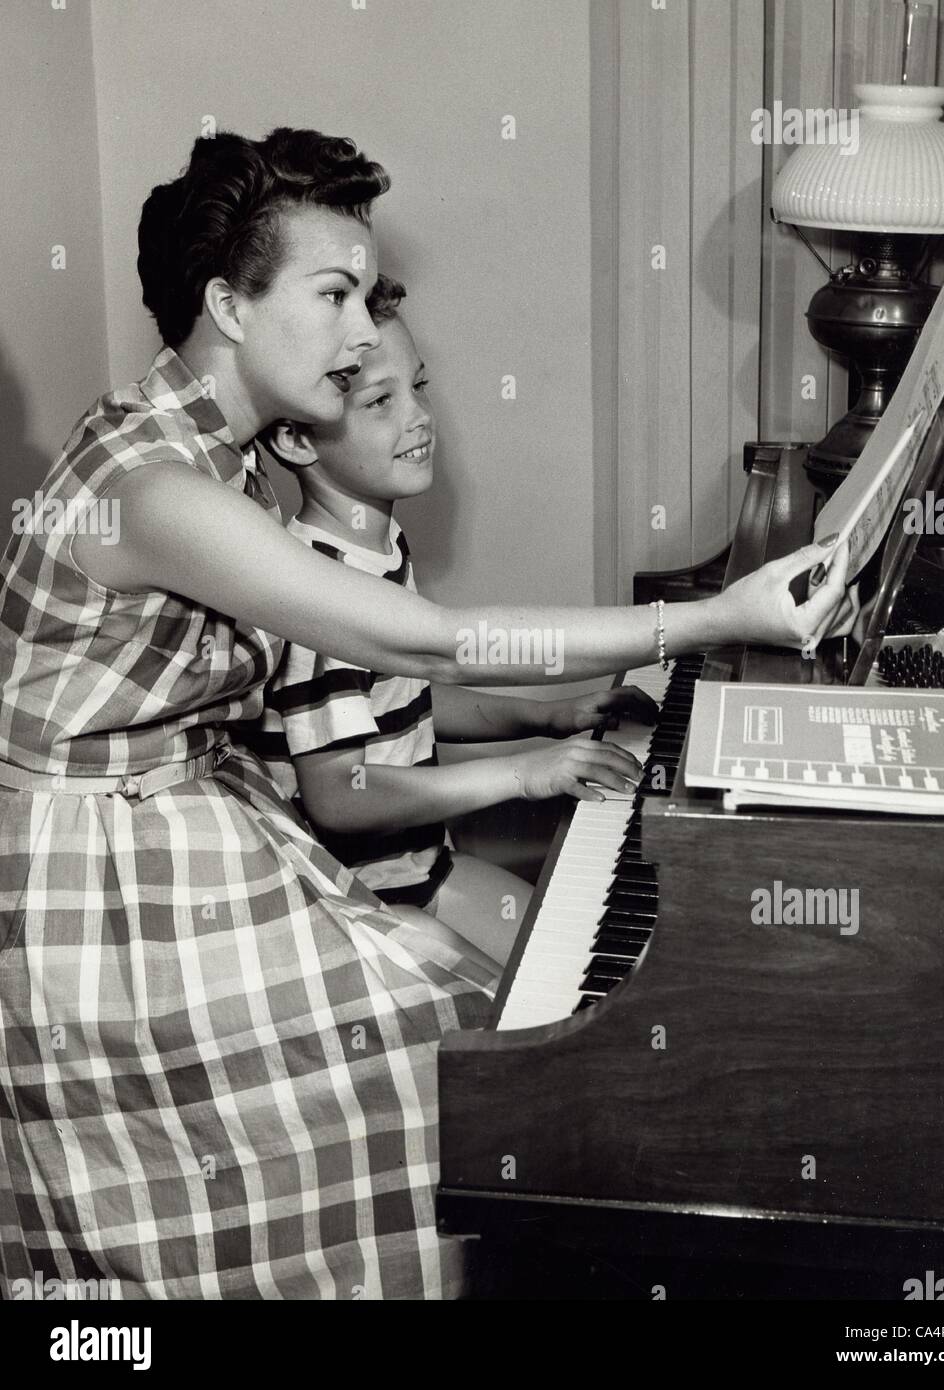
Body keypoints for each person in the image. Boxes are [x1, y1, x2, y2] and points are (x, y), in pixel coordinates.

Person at [0, 127, 853, 1302]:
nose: (364, 333)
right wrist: (708, 618)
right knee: (442, 1082)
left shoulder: (207, 447)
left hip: (187, 818)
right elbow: (426, 641)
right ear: (228, 306)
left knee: (473, 1053)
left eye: (366, 296)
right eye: (333, 296)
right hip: (101, 889)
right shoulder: (157, 489)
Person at [252, 279, 661, 965]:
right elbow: (340, 797)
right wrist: (522, 774)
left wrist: (547, 717)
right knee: (540, 1004)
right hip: (355, 905)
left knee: (584, 953)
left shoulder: (378, 549)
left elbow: (401, 698)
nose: (420, 417)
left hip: (418, 869)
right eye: (380, 401)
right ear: (294, 437)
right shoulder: (318, 590)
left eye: (418, 387)